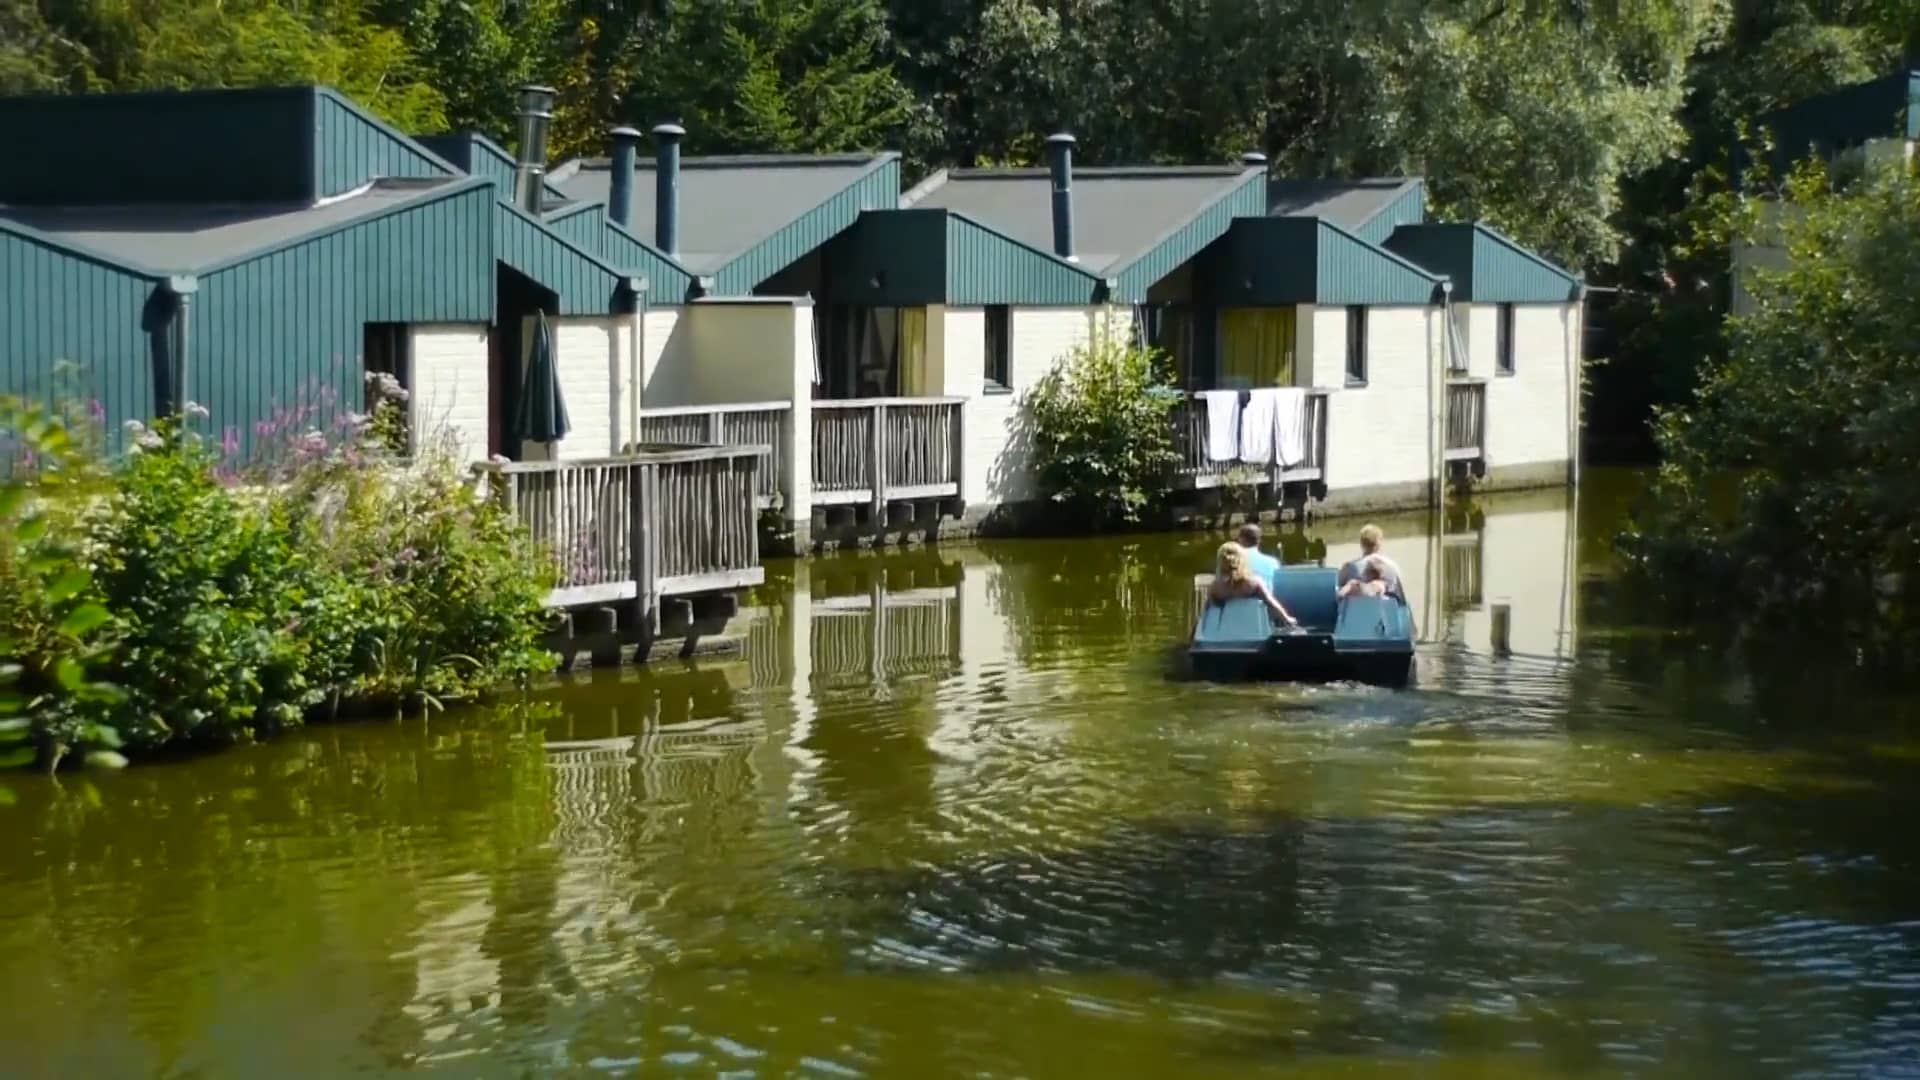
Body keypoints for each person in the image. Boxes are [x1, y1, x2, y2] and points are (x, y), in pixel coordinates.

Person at [1201, 542, 1300, 633]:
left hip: (1227, 631)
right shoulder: (1254, 582)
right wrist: (1287, 618)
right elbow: (1271, 602)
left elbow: (1207, 610)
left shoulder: (1216, 587)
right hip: (1255, 630)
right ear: (1242, 560)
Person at [1336, 523, 1406, 601]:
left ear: (1361, 544)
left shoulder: (1349, 567)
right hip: (1389, 606)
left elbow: (1337, 588)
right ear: (1380, 543)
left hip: (1356, 607)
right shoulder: (1392, 566)